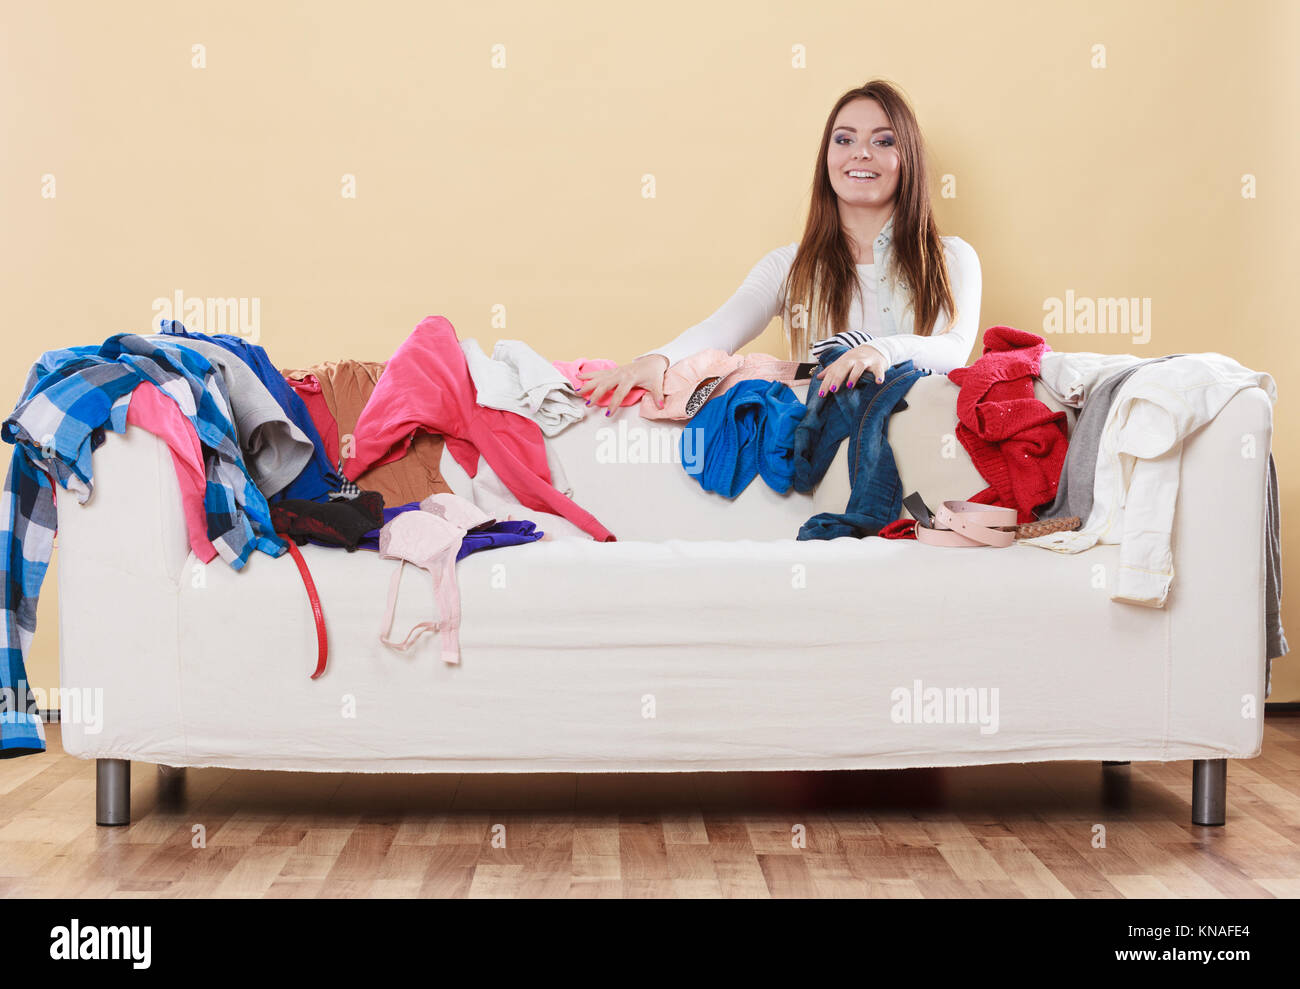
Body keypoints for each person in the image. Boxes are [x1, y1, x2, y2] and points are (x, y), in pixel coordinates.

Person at [576, 79, 982, 414]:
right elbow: (722, 329)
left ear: (907, 158)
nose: (861, 152)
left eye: (883, 141)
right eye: (844, 139)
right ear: (827, 158)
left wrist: (880, 351)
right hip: (822, 449)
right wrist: (657, 359)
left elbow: (954, 350)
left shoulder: (951, 258)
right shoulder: (789, 266)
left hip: (924, 443)